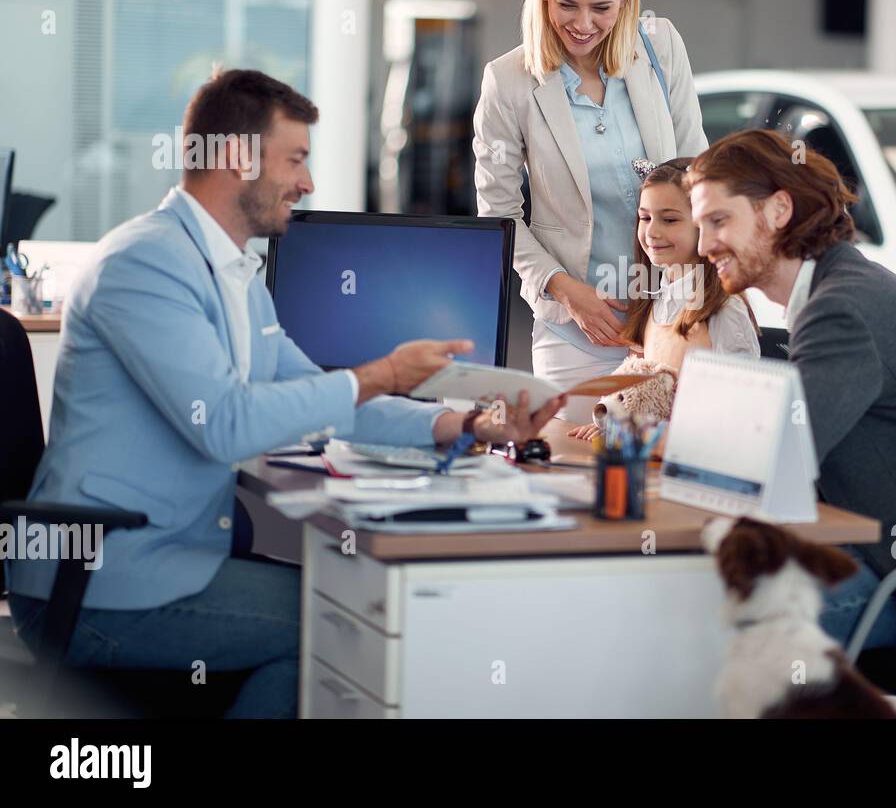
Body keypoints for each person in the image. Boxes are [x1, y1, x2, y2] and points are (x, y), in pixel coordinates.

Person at [5, 69, 564, 718]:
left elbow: (312, 388)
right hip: (102, 584)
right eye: (295, 158)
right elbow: (224, 426)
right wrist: (383, 373)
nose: (308, 182)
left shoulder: (232, 270)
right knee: (336, 622)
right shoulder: (145, 264)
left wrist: (464, 428)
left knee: (343, 611)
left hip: (164, 561)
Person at [685, 129, 896, 656]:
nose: (704, 244)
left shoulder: (841, 308)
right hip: (892, 553)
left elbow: (776, 462)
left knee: (700, 630)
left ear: (778, 210)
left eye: (718, 221)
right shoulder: (839, 285)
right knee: (687, 596)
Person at [474, 0, 708, 422]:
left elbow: (699, 174)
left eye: (601, 7)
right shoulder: (509, 82)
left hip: (672, 317)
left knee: (668, 472)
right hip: (576, 331)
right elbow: (497, 215)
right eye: (567, 5)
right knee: (582, 477)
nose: (583, 24)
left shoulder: (661, 48)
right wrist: (564, 289)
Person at [567, 158, 759, 441]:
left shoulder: (725, 313)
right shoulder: (653, 303)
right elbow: (641, 397)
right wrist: (613, 425)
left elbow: (741, 417)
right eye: (645, 218)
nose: (652, 232)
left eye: (669, 220)